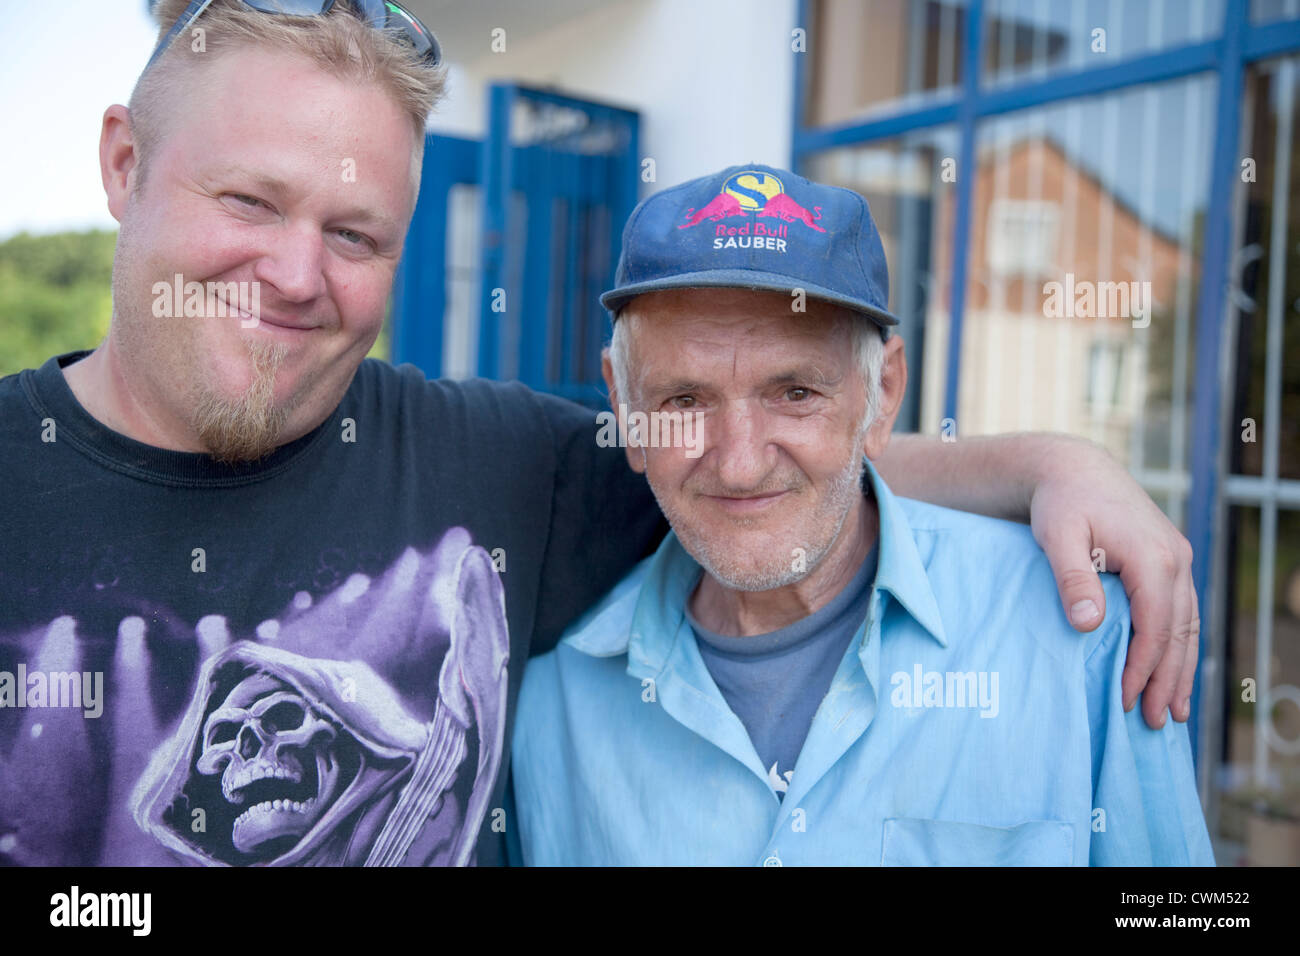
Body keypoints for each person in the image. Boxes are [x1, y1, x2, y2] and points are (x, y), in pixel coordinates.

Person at [0, 2, 1196, 867]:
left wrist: (1057, 462)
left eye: (356, 234)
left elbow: (764, 474)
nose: (296, 272)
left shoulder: (498, 470)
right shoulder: (570, 691)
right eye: (249, 200)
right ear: (123, 163)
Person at [509, 164, 1215, 866]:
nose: (740, 463)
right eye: (684, 401)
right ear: (627, 411)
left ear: (883, 393)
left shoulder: (1080, 641)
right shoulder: (554, 698)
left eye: (794, 392)